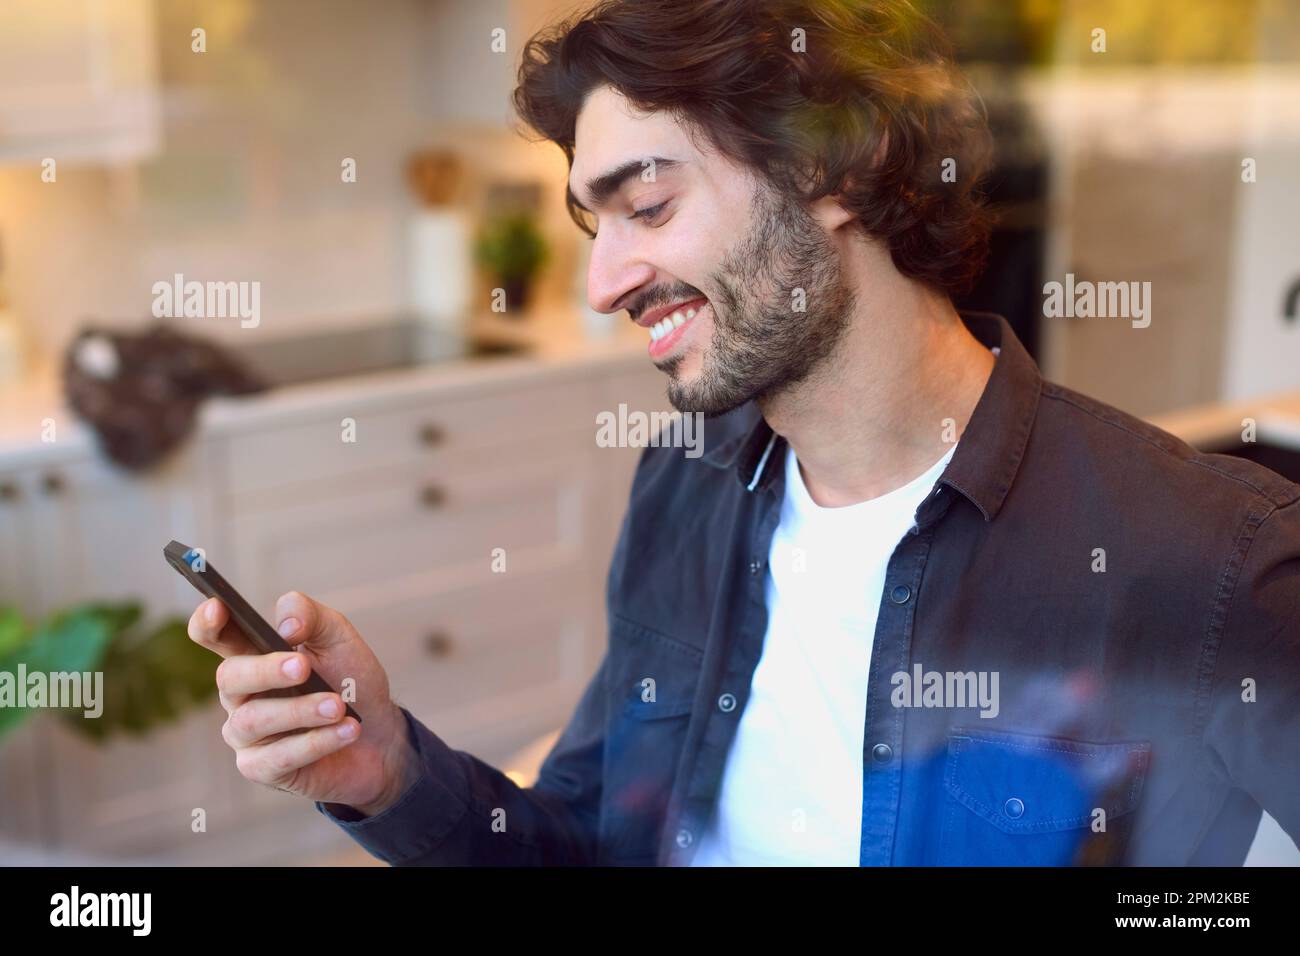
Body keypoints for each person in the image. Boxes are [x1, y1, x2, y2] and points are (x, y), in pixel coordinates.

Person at [188, 0, 1300, 865]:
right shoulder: (689, 482)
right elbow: (582, 838)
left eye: (650, 206)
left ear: (830, 166)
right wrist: (386, 770)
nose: (603, 280)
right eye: (594, 223)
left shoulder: (1209, 557)